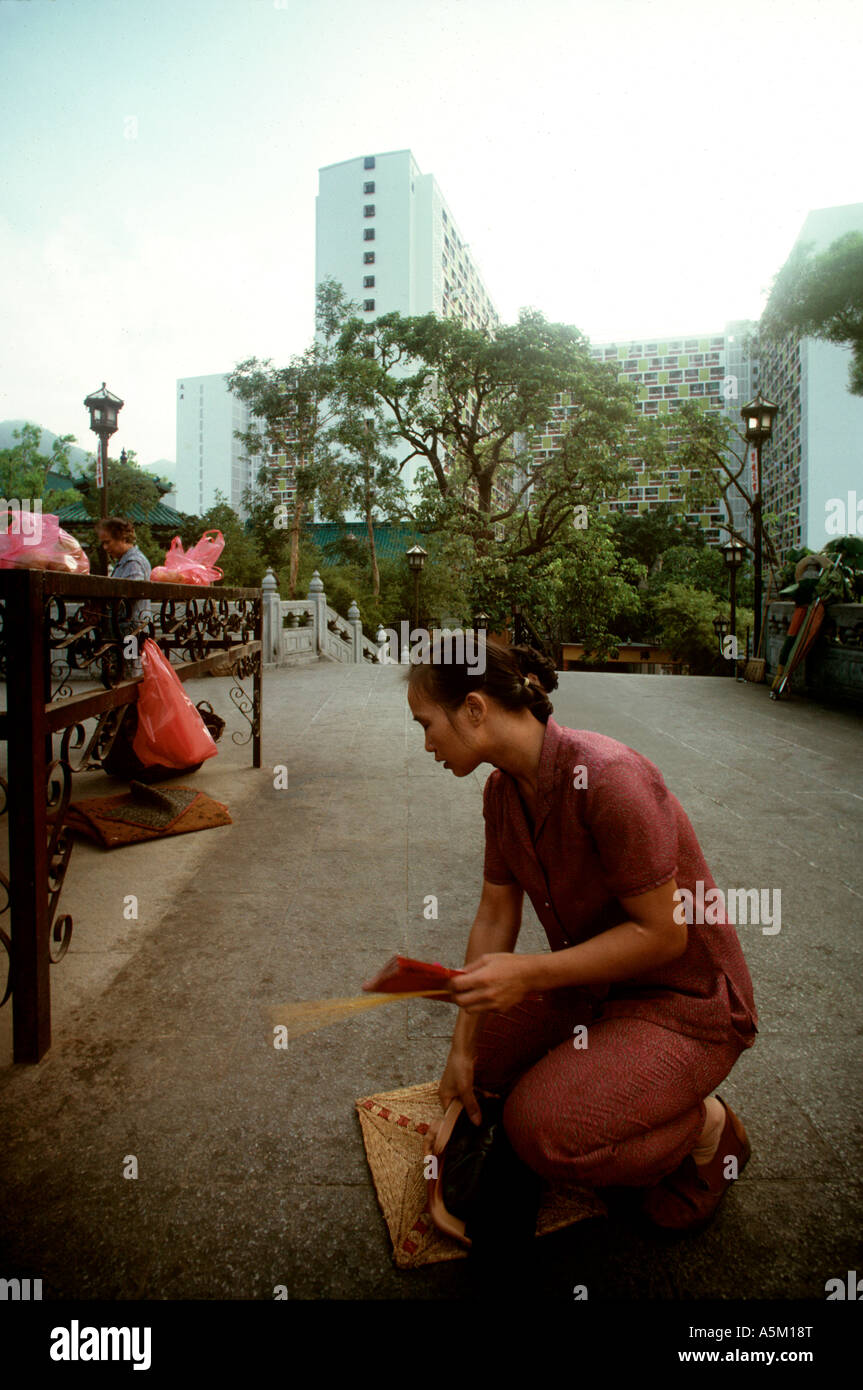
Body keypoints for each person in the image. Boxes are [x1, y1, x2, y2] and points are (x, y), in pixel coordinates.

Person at [407, 639, 758, 1231]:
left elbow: (665, 938)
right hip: (601, 989)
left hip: (686, 1003)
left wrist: (529, 973)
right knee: (485, 1063)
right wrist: (462, 1048)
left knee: (540, 1131)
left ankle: (708, 1127)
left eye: (427, 724)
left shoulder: (608, 776)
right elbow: (495, 916)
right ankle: (610, 1078)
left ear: (473, 708)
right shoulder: (501, 794)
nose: (426, 745)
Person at [96, 517, 152, 678]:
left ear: (122, 538)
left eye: (108, 542)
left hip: (130, 631)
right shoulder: (125, 561)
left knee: (129, 675)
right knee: (125, 674)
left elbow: (132, 592)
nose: (105, 548)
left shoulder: (133, 562)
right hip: (126, 630)